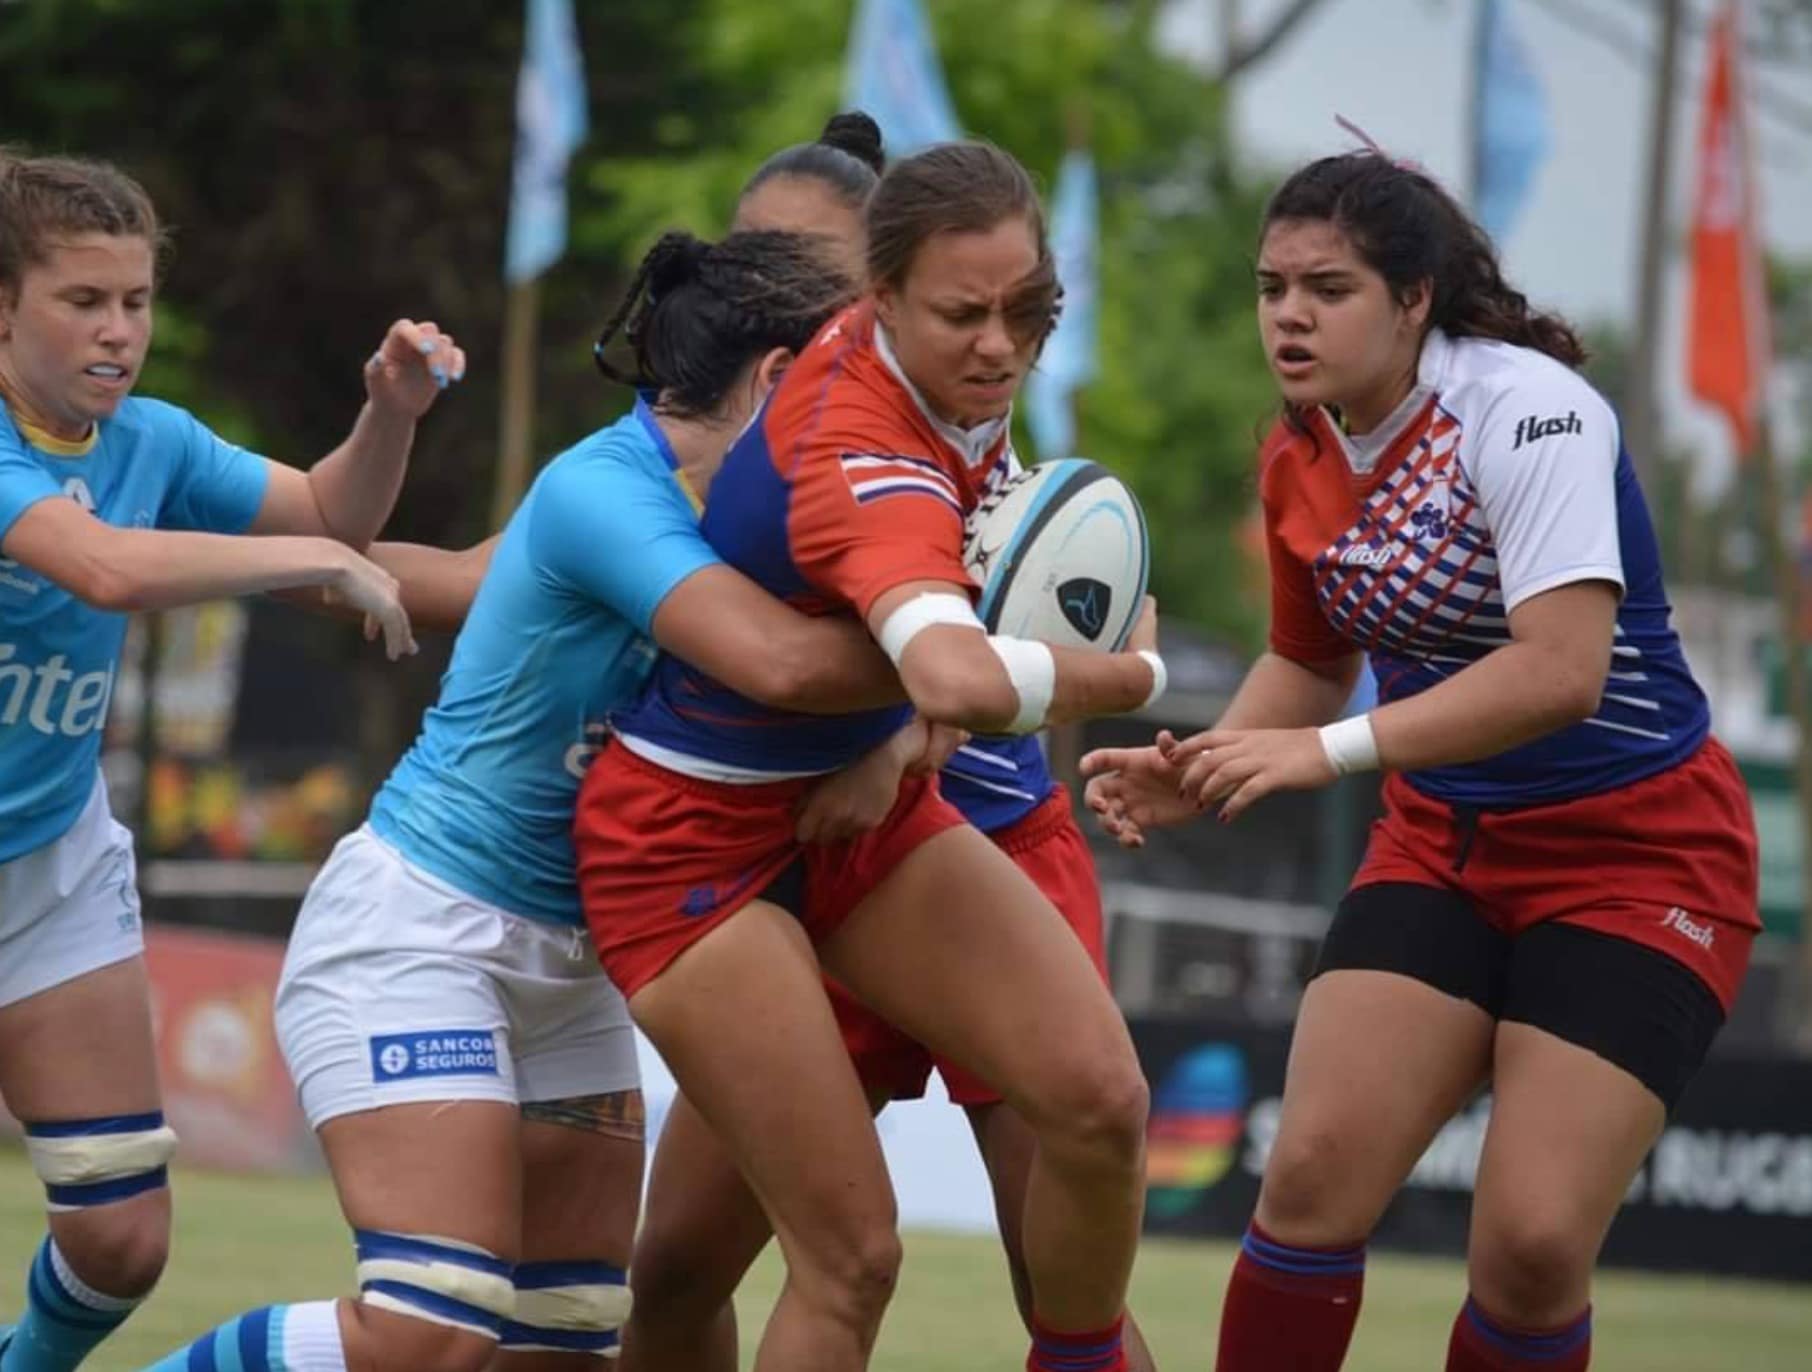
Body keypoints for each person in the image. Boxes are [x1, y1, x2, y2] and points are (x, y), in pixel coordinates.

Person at [137, 230, 908, 1372]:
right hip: (422, 930)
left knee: (561, 1338)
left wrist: (910, 717)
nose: (875, 416)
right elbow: (784, 668)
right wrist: (981, 658)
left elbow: (452, 579)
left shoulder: (762, 516)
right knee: (428, 1327)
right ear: (781, 380)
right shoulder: (609, 491)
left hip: (574, 968)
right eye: (857, 378)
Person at [1080, 149, 1759, 1372]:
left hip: (1641, 856)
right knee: (1309, 1177)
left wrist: (1319, 753)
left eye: (1327, 288)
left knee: (1535, 1246)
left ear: (1414, 300)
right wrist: (1216, 759)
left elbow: (1563, 671)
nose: (1288, 313)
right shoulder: (1300, 449)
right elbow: (1309, 662)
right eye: (1271, 286)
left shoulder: (1529, 408)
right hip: (1443, 844)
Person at [575, 140, 1165, 1372]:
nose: (1003, 344)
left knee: (1100, 1106)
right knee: (807, 1259)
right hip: (704, 848)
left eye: (1029, 309)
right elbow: (949, 666)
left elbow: (931, 667)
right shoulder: (866, 448)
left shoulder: (954, 382)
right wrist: (1135, 676)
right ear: (879, 298)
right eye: (967, 313)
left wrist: (905, 739)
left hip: (891, 821)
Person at [0, 149, 456, 1372]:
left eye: (135, 302)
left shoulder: (149, 440)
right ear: (3, 305)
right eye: (81, 301)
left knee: (121, 1239)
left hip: (44, 859)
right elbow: (102, 567)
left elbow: (329, 515)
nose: (117, 332)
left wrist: (389, 416)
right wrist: (308, 570)